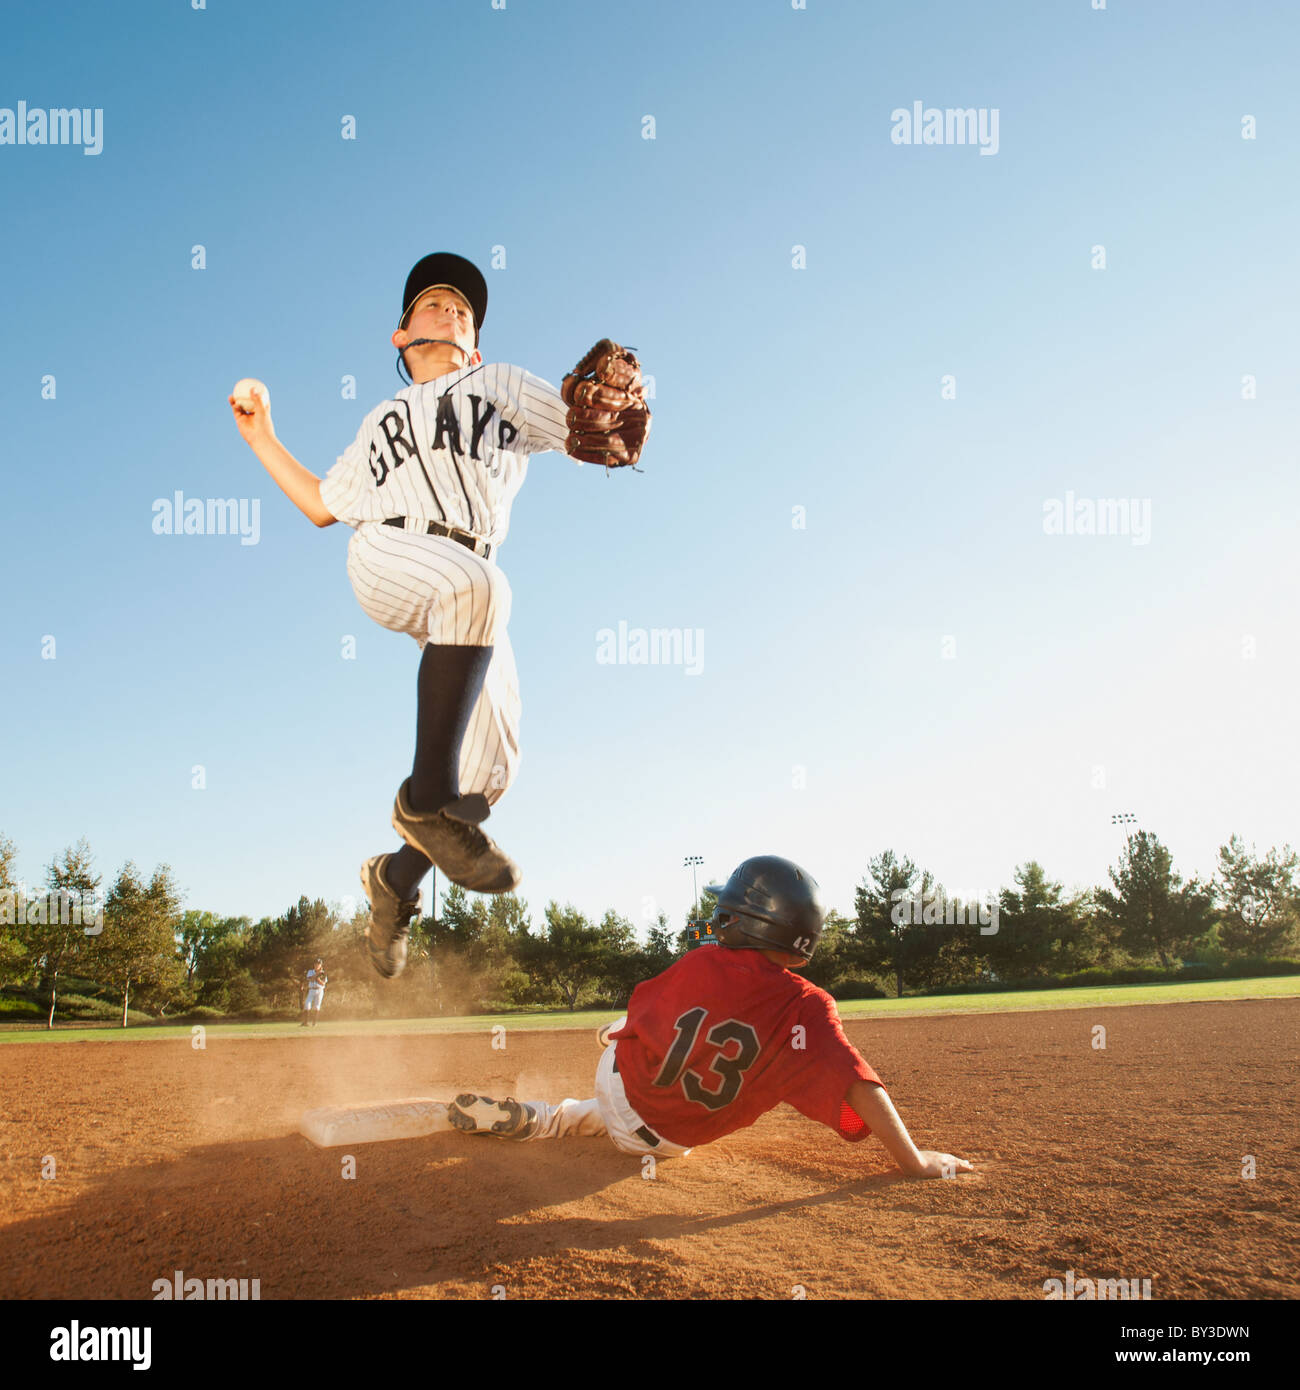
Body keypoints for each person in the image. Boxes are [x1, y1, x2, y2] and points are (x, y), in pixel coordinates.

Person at [230, 252, 641, 981]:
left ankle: (393, 881)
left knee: (489, 774)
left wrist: (604, 411)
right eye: (433, 303)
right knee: (481, 588)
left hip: (468, 590)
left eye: (463, 309)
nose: (451, 309)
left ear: (474, 343)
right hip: (390, 552)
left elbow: (584, 420)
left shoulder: (500, 382)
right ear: (400, 335)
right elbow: (324, 505)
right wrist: (261, 435)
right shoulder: (378, 420)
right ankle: (421, 805)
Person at [446, 856, 974, 1179]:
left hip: (619, 1084)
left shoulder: (703, 959)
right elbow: (859, 1085)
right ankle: (563, 1111)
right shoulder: (809, 1008)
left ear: (743, 919)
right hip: (670, 1144)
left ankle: (546, 1118)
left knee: (626, 1050)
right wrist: (916, 1161)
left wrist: (621, 1031)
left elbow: (650, 1012)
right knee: (656, 1115)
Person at [301, 959, 327, 1027]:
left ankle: (314, 1023)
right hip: (311, 990)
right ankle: (305, 1023)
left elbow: (323, 983)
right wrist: (317, 974)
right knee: (307, 1005)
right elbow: (310, 979)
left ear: (321, 965)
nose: (317, 965)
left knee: (317, 1006)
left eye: (318, 964)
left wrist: (317, 978)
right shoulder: (310, 971)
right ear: (314, 964)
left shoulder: (323, 973)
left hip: (319, 990)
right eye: (316, 964)